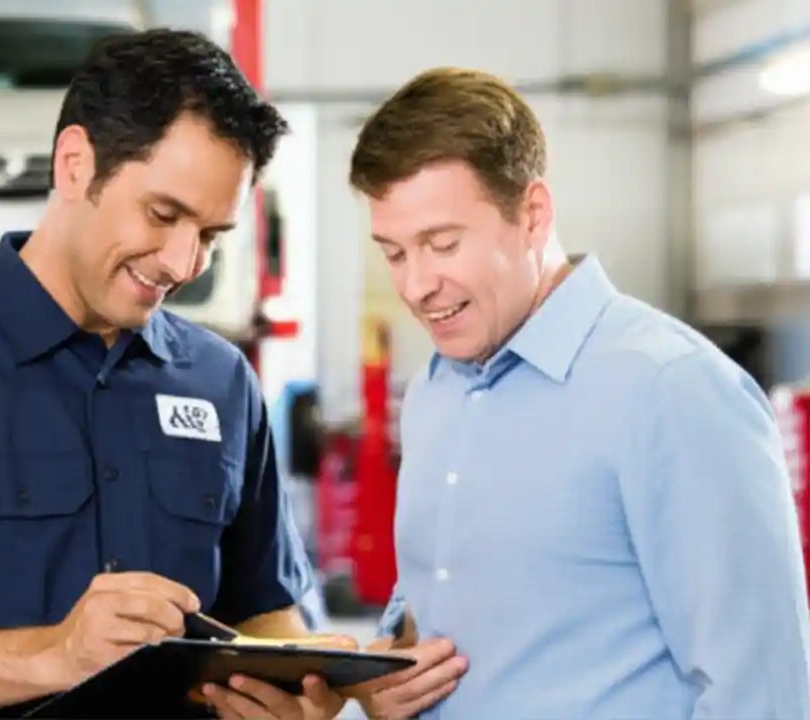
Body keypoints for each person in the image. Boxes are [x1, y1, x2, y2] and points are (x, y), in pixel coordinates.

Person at [0, 28, 354, 720]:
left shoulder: (220, 382)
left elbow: (268, 615)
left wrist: (309, 685)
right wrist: (55, 655)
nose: (183, 263)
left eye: (210, 235)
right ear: (75, 164)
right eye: (163, 215)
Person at [344, 66, 810, 719]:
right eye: (393, 253)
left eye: (442, 244)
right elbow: (437, 598)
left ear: (533, 214)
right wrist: (388, 672)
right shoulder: (435, 391)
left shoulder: (670, 390)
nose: (417, 285)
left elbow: (760, 690)